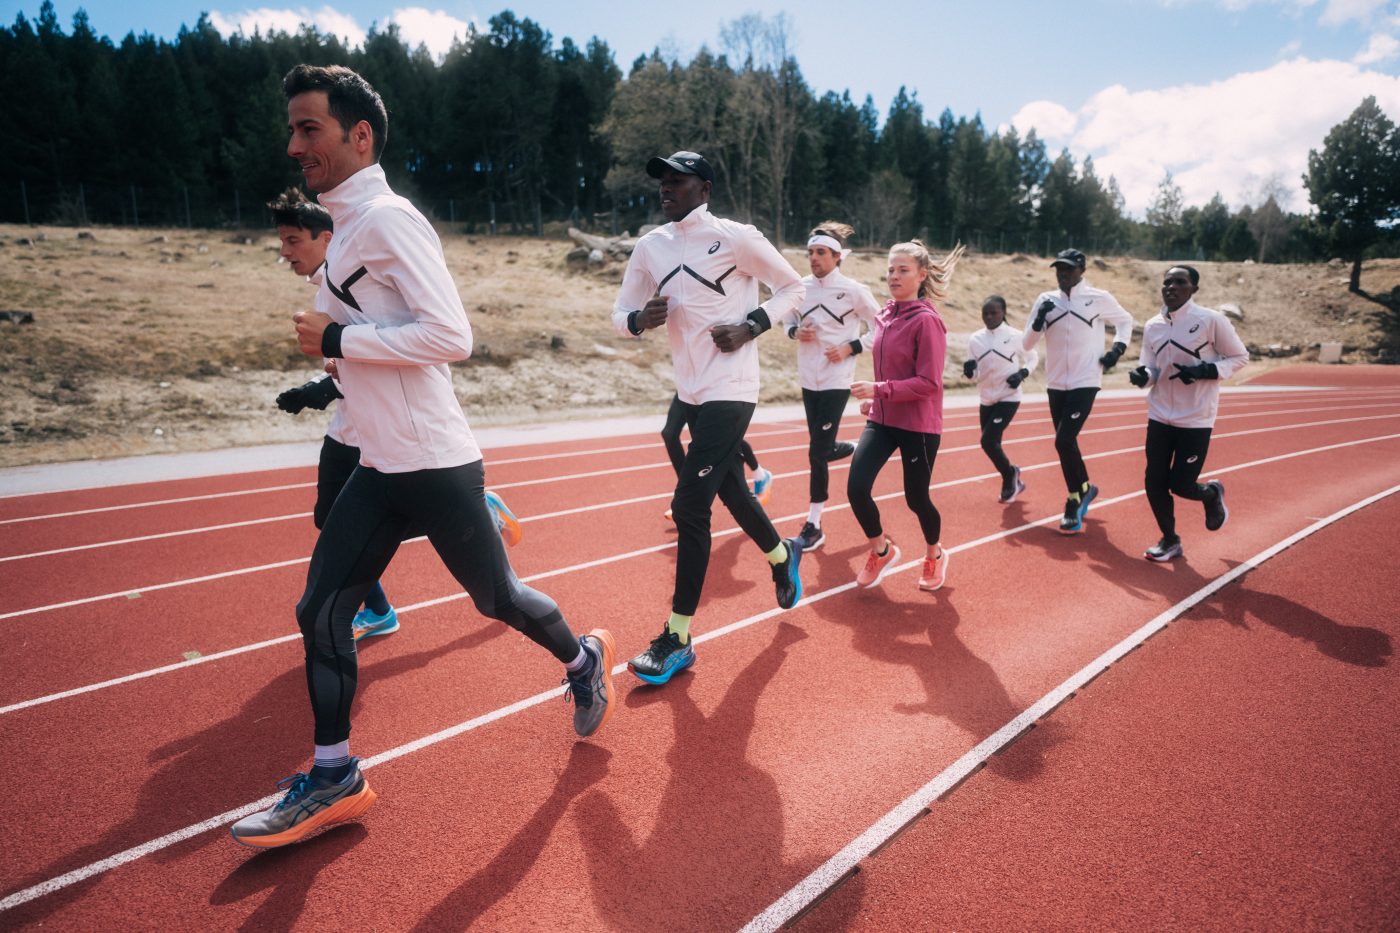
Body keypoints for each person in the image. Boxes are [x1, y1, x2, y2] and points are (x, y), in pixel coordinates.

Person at [231, 65, 614, 850]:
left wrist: (339, 337)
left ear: (358, 135)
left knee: (498, 600)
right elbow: (375, 346)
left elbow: (451, 337)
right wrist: (324, 377)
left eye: (310, 128)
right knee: (321, 608)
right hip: (379, 463)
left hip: (435, 462)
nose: (294, 144)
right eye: (293, 128)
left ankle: (581, 658)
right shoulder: (341, 238)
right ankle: (335, 775)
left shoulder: (389, 220)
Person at [268, 188, 522, 643]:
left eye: (293, 241)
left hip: (382, 434)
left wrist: (333, 358)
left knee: (389, 532)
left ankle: (474, 512)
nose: (284, 252)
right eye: (281, 241)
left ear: (327, 238)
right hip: (347, 430)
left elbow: (428, 342)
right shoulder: (326, 287)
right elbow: (356, 358)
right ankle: (380, 608)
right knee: (331, 522)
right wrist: (323, 383)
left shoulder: (371, 258)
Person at [612, 150, 806, 685]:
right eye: (661, 181)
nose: (666, 188)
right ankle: (779, 552)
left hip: (733, 387)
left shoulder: (737, 237)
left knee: (690, 504)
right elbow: (618, 313)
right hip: (691, 390)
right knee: (731, 491)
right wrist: (636, 319)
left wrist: (753, 325)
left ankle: (677, 638)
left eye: (677, 181)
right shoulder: (651, 246)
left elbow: (795, 288)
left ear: (705, 188)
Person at [848, 240, 963, 592]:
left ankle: (934, 553)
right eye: (890, 270)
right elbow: (890, 370)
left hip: (919, 425)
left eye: (903, 270)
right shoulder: (885, 315)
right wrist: (877, 401)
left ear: (922, 275)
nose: (894, 276)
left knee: (916, 498)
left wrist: (879, 390)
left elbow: (929, 383)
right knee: (856, 488)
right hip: (883, 419)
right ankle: (881, 550)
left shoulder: (927, 322)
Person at [1128, 265, 1247, 561]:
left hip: (1195, 417)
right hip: (1159, 415)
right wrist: (1143, 376)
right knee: (1153, 482)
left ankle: (1209, 494)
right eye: (1166, 282)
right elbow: (1151, 368)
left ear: (1193, 288)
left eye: (1179, 282)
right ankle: (1170, 540)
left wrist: (1206, 370)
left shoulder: (1210, 320)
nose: (1171, 287)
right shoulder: (1153, 325)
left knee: (1180, 484)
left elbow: (1239, 357)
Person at [780, 221, 881, 551]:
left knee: (816, 452)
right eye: (810, 252)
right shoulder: (799, 287)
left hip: (838, 381)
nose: (813, 258)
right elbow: (787, 320)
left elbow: (881, 327)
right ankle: (848, 448)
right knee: (820, 447)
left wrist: (851, 347)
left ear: (837, 256)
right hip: (809, 378)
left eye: (820, 252)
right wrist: (796, 333)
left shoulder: (853, 290)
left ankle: (814, 524)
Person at [1022, 248, 1136, 534]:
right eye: (1059, 269)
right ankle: (1085, 488)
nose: (1062, 274)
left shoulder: (1098, 298)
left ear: (1081, 271)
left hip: (1086, 380)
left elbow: (1125, 320)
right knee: (1066, 443)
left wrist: (1117, 350)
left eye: (1069, 269)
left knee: (1063, 440)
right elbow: (1026, 344)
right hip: (1055, 382)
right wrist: (1039, 321)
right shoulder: (1045, 300)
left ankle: (1074, 499)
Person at [963, 294, 1038, 503]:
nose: (989, 316)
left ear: (1003, 313)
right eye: (985, 313)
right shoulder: (975, 339)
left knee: (987, 441)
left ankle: (1009, 475)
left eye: (994, 312)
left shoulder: (1015, 335)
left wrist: (1022, 374)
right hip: (986, 397)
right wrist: (970, 373)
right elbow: (974, 377)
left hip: (1009, 396)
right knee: (992, 443)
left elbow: (1033, 358)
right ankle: (1012, 476)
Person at [660, 401, 774, 521]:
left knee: (720, 434)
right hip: (686, 387)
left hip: (711, 389)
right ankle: (686, 496)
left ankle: (760, 474)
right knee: (669, 434)